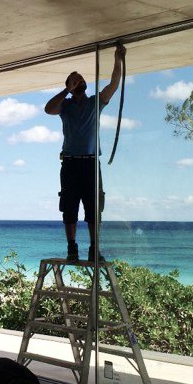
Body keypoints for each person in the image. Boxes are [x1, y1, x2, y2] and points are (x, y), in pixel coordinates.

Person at [44, 42, 126, 261]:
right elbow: (47, 109)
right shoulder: (65, 106)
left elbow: (114, 84)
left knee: (94, 209)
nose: (80, 80)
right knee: (68, 208)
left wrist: (117, 59)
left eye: (81, 77)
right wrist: (66, 90)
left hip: (90, 163)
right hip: (70, 163)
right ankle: (72, 248)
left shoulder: (95, 103)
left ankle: (93, 249)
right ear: (70, 85)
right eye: (75, 78)